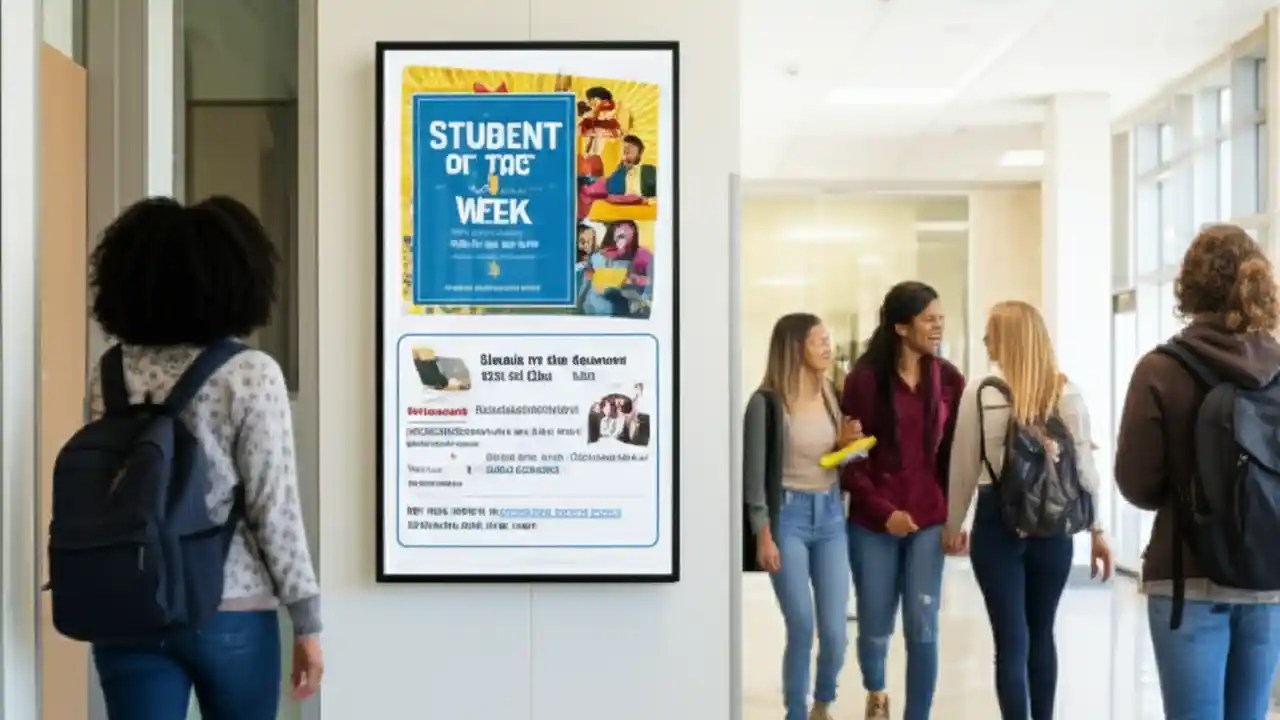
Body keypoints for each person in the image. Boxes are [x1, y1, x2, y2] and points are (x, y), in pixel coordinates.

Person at [85, 196, 323, 719]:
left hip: (131, 606)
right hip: (231, 609)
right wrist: (307, 622)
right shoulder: (249, 373)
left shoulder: (109, 374)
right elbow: (273, 507)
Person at [1116, 224, 1280, 720]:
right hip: (1265, 577)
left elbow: (1136, 483)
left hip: (1185, 575)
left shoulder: (1160, 369)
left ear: (1188, 288)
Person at [944, 301, 1112, 720]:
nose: (985, 340)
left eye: (991, 332)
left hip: (995, 525)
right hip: (1052, 526)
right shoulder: (1066, 394)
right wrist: (1098, 530)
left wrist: (953, 524)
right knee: (1042, 635)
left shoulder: (980, 393)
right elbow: (1085, 471)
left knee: (1010, 641)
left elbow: (964, 465)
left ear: (1007, 340)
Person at [841, 281, 964, 720]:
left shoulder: (949, 379)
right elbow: (850, 461)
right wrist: (884, 512)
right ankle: (877, 692)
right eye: (929, 318)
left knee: (923, 626)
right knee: (875, 626)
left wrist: (957, 518)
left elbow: (956, 457)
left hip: (929, 520)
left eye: (940, 318)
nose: (938, 326)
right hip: (874, 522)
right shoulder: (863, 381)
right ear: (900, 326)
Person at [744, 313, 861, 720]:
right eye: (818, 341)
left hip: (830, 517)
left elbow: (833, 460)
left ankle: (822, 702)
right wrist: (764, 534)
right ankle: (795, 712)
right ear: (796, 348)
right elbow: (754, 478)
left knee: (834, 632)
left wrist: (847, 446)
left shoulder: (831, 394)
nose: (827, 347)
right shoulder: (766, 404)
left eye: (828, 339)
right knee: (800, 625)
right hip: (787, 519)